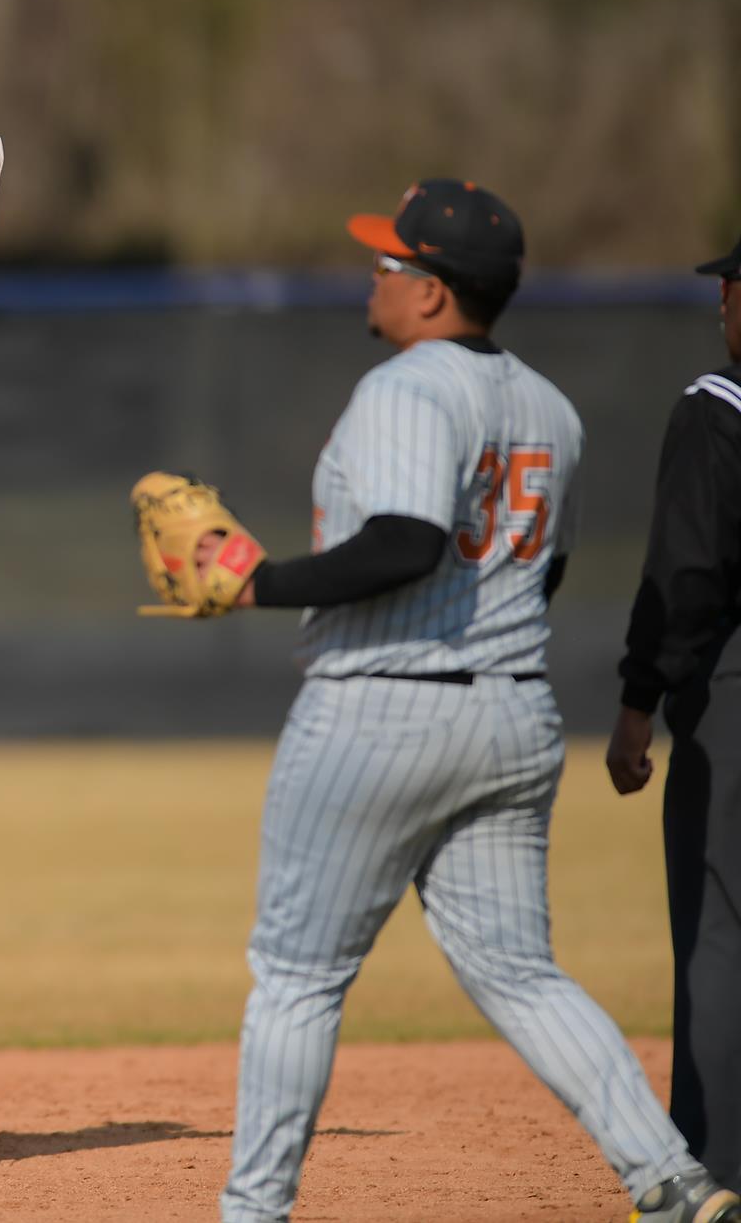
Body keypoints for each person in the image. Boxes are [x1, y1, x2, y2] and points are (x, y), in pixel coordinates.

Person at [181, 180, 739, 1223]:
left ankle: (251, 1213)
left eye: (390, 263)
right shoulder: (551, 408)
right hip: (510, 716)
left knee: (296, 976)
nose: (374, 277)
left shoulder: (404, 389)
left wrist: (251, 582)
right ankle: (669, 1178)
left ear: (433, 295)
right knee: (521, 972)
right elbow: (545, 576)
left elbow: (404, 542)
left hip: (379, 710)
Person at [608, 231, 741, 1191]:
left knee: (721, 932)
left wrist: (639, 698)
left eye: (732, 287)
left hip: (735, 698)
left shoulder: (718, 408)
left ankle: (715, 1166)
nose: (723, 303)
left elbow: (687, 574)